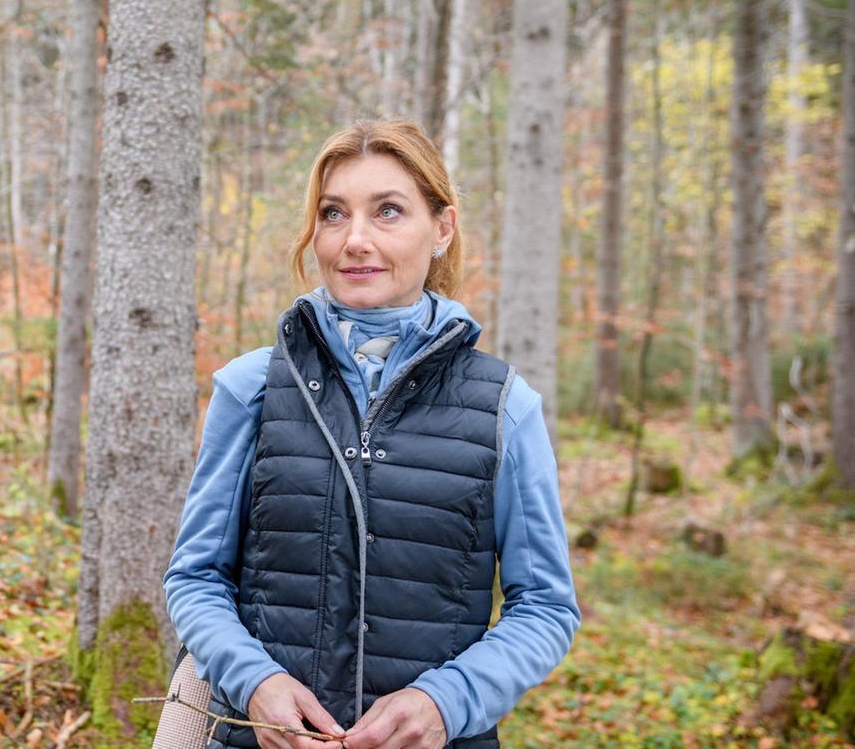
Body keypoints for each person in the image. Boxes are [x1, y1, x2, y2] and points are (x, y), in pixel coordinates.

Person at [164, 119, 580, 749]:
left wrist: (447, 702)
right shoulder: (250, 387)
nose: (356, 239)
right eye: (334, 214)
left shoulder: (504, 407)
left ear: (442, 228)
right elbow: (196, 579)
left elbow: (547, 607)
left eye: (388, 211)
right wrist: (254, 682)